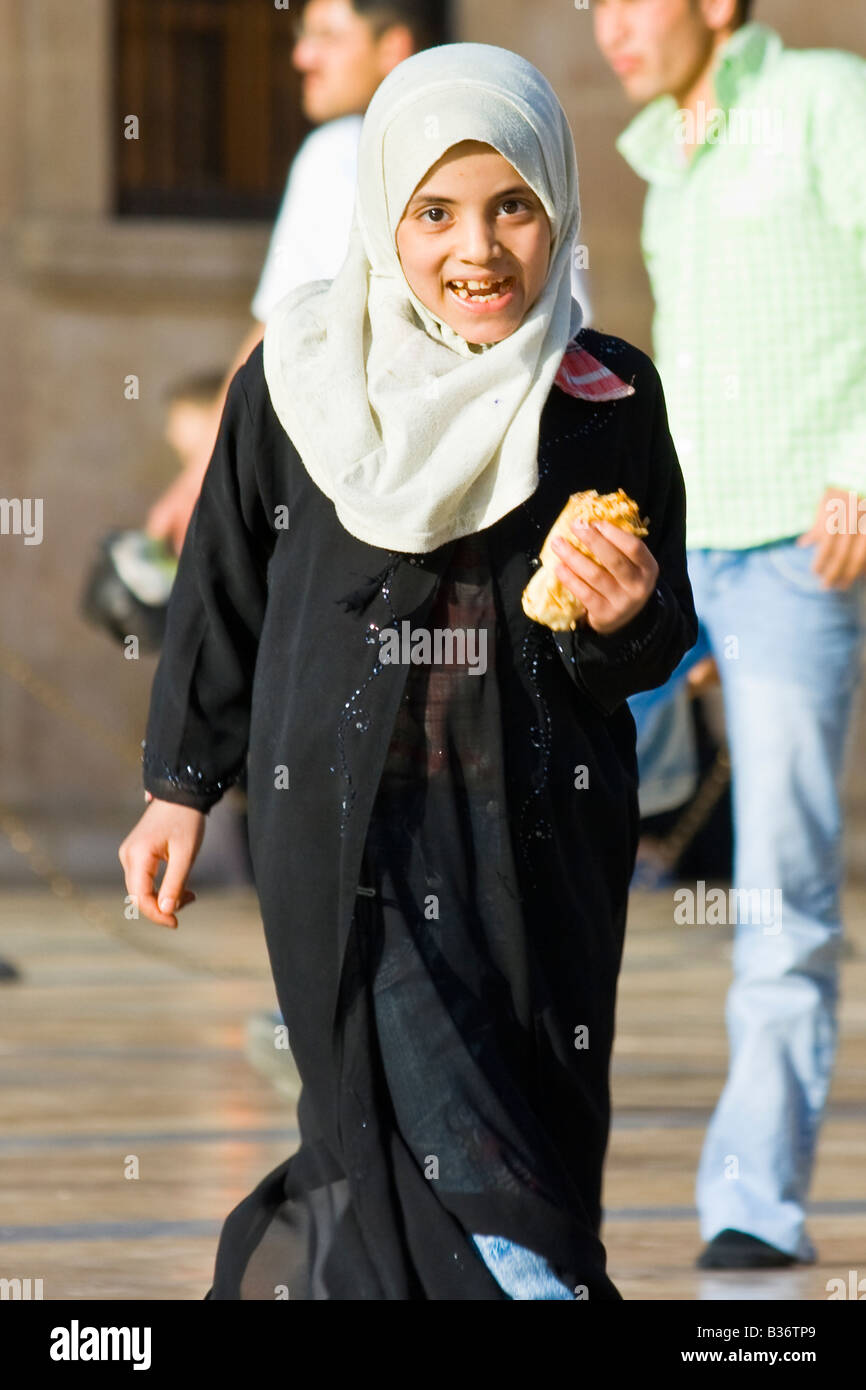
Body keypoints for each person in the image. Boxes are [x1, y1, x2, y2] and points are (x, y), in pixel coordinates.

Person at [119, 41, 697, 1300]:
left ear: (559, 212)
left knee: (515, 1144)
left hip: (537, 857)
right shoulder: (296, 384)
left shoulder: (603, 399)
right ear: (383, 215)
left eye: (512, 209)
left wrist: (624, 617)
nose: (474, 250)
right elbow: (222, 589)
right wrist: (179, 787)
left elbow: (651, 647)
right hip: (344, 837)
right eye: (433, 213)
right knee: (442, 1146)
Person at [593, 0, 866, 1268]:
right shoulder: (661, 162)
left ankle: (751, 1200)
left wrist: (860, 467)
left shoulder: (821, 98)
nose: (606, 26)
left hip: (791, 563)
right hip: (668, 561)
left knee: (779, 879)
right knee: (533, 815)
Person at [145, 0, 449, 558]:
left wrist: (200, 484)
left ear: (393, 47)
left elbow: (275, 340)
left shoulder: (339, 152)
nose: (302, 55)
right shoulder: (493, 145)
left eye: (329, 37)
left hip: (362, 515)